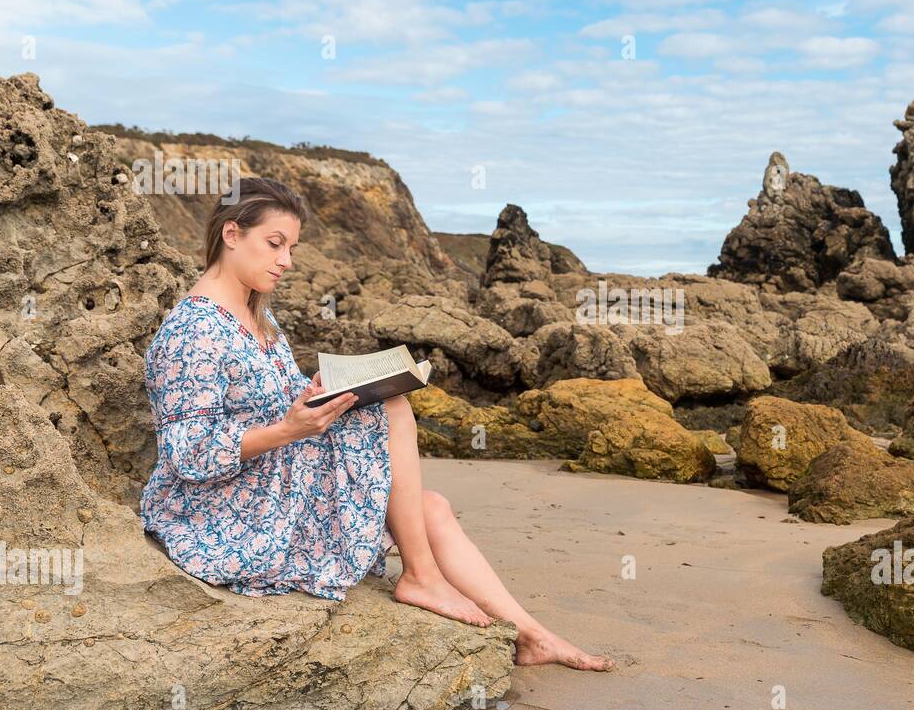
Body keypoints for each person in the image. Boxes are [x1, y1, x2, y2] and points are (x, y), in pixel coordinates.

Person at [139, 177, 613, 671]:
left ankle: (532, 635)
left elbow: (265, 399)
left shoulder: (258, 314)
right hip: (220, 507)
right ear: (232, 234)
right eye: (275, 244)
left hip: (272, 475)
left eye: (292, 248)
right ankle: (422, 577)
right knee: (392, 411)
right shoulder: (194, 330)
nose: (287, 261)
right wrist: (290, 429)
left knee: (430, 506)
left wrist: (313, 393)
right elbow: (187, 454)